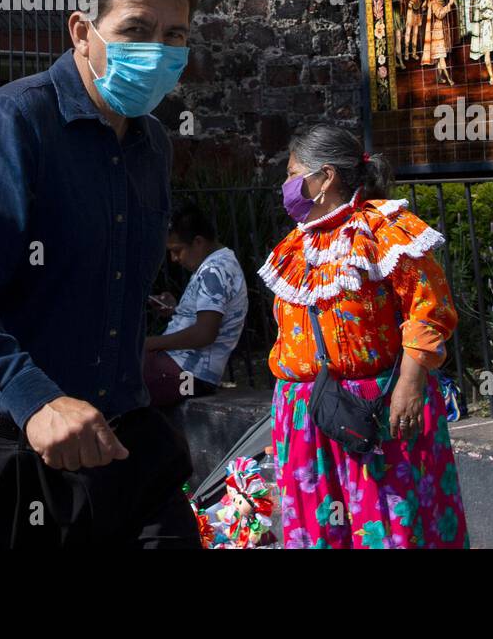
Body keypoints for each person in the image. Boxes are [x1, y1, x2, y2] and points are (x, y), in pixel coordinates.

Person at [0, 0, 205, 549]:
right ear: (81, 32)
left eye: (174, 35)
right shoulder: (19, 120)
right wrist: (35, 399)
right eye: (136, 28)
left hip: (121, 450)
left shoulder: (152, 145)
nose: (157, 50)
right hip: (0, 459)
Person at [259, 124, 468, 549]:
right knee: (320, 528)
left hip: (376, 408)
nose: (286, 185)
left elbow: (430, 309)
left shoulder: (383, 230)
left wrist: (410, 384)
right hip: (308, 413)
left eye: (293, 173)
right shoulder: (294, 248)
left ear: (326, 177)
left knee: (388, 524)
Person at [144, 204, 248, 406]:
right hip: (188, 375)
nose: (174, 259)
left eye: (177, 251)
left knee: (122, 387)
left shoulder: (214, 271)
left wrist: (150, 343)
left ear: (198, 242)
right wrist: (177, 310)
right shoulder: (218, 265)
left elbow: (204, 334)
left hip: (192, 379)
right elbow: (206, 318)